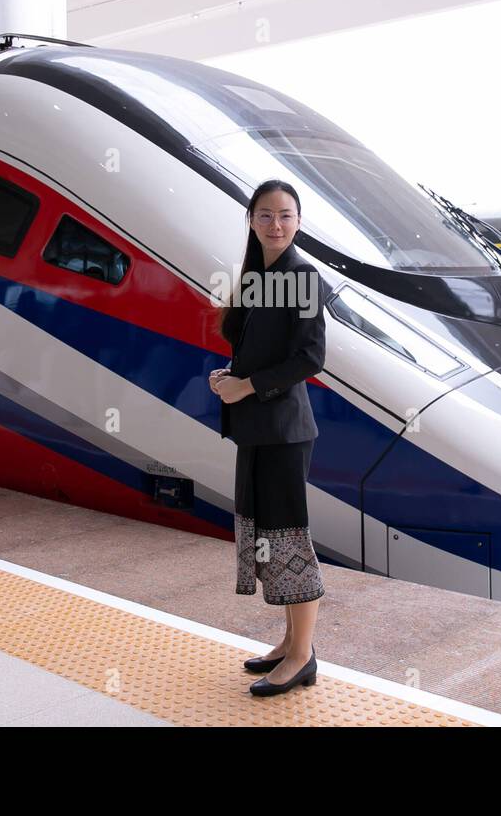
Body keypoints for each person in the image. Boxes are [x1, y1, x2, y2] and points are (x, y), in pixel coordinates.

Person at [209, 179, 330, 697]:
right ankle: (288, 643)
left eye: (285, 215)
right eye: (264, 215)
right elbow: (258, 348)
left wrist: (247, 387)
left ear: (298, 220)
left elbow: (310, 358)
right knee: (271, 538)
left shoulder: (301, 275)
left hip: (283, 431)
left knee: (288, 541)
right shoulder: (260, 274)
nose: (275, 225)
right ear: (251, 220)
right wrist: (230, 377)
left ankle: (302, 656)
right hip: (261, 428)